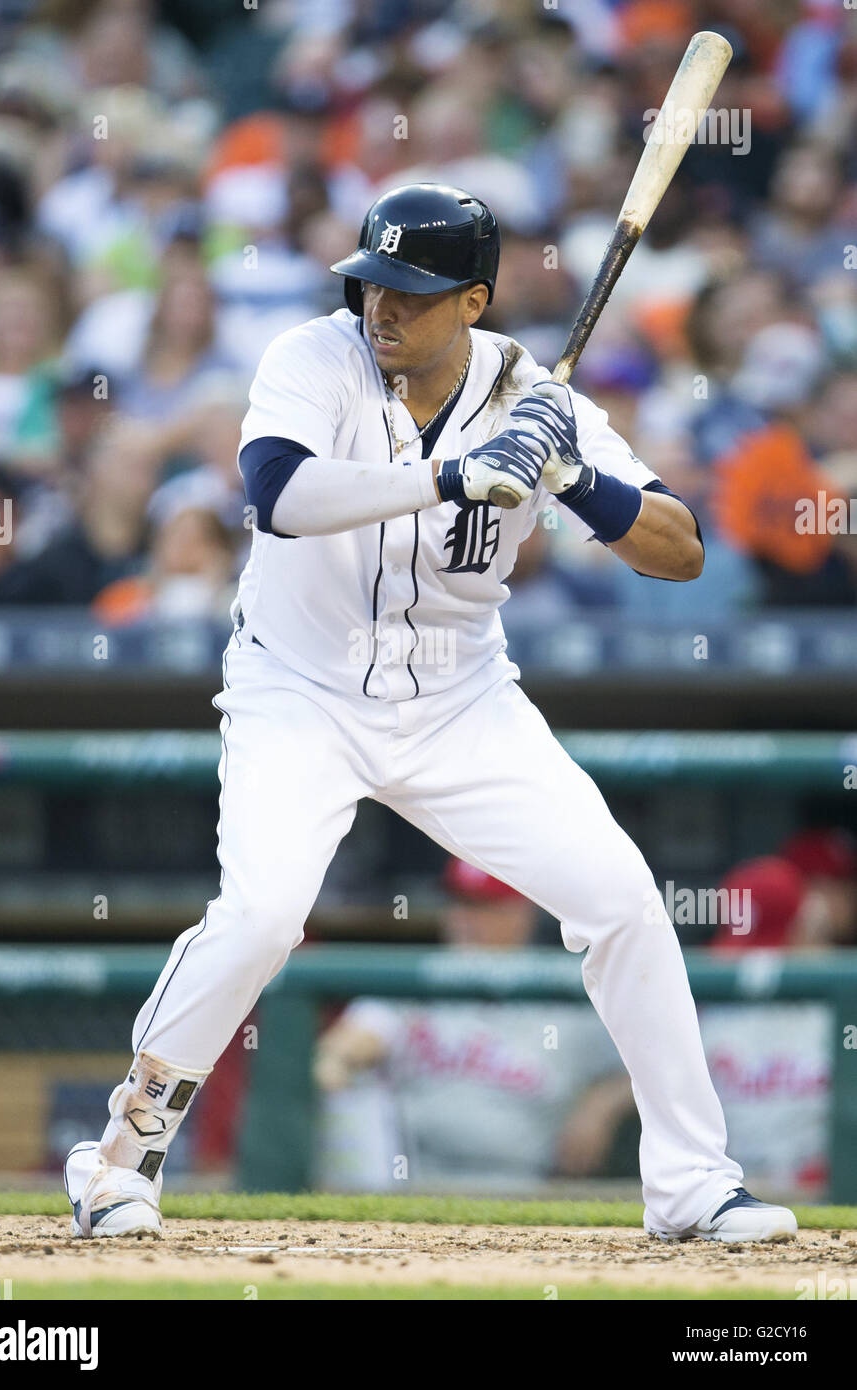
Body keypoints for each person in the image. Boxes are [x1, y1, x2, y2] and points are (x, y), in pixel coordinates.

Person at [64, 183, 796, 1245]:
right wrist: (455, 475)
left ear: (474, 301)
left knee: (625, 901)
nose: (381, 310)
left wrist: (576, 475)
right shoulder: (311, 359)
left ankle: (691, 1181)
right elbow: (279, 493)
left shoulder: (537, 396)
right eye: (372, 285)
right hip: (298, 689)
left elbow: (680, 551)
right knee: (264, 914)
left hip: (460, 699)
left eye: (411, 293)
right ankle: (119, 1163)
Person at [315, 857, 630, 1193]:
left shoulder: (561, 989)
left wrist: (603, 1103)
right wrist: (339, 1060)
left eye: (484, 907)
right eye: (459, 903)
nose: (465, 919)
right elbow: (357, 1036)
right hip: (413, 1181)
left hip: (524, 1188)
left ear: (521, 913)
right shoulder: (417, 981)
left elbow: (654, 1064)